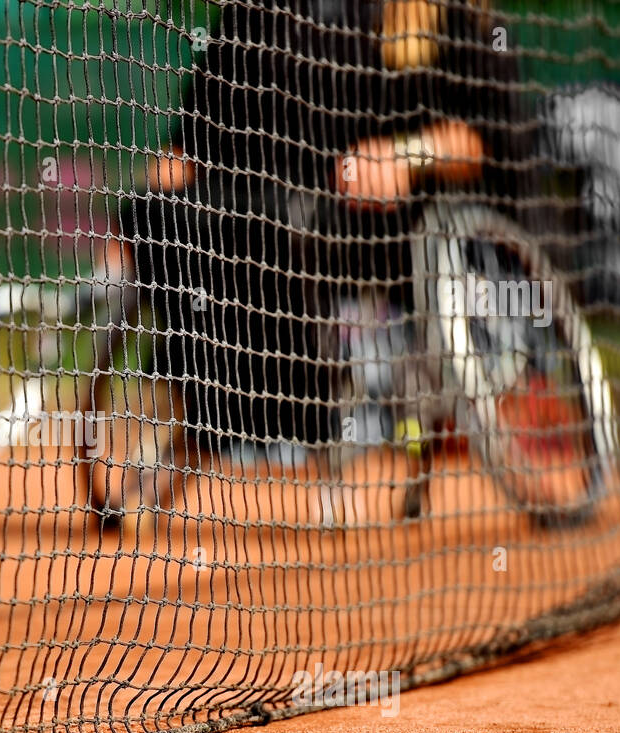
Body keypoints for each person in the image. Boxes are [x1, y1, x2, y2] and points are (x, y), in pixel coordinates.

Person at [113, 0, 528, 465]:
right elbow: (188, 142)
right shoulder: (255, 16)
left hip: (378, 228)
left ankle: (287, 414)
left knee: (279, 225)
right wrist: (135, 220)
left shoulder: (446, 18)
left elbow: (486, 140)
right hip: (248, 210)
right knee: (152, 215)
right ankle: (211, 400)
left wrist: (404, 155)